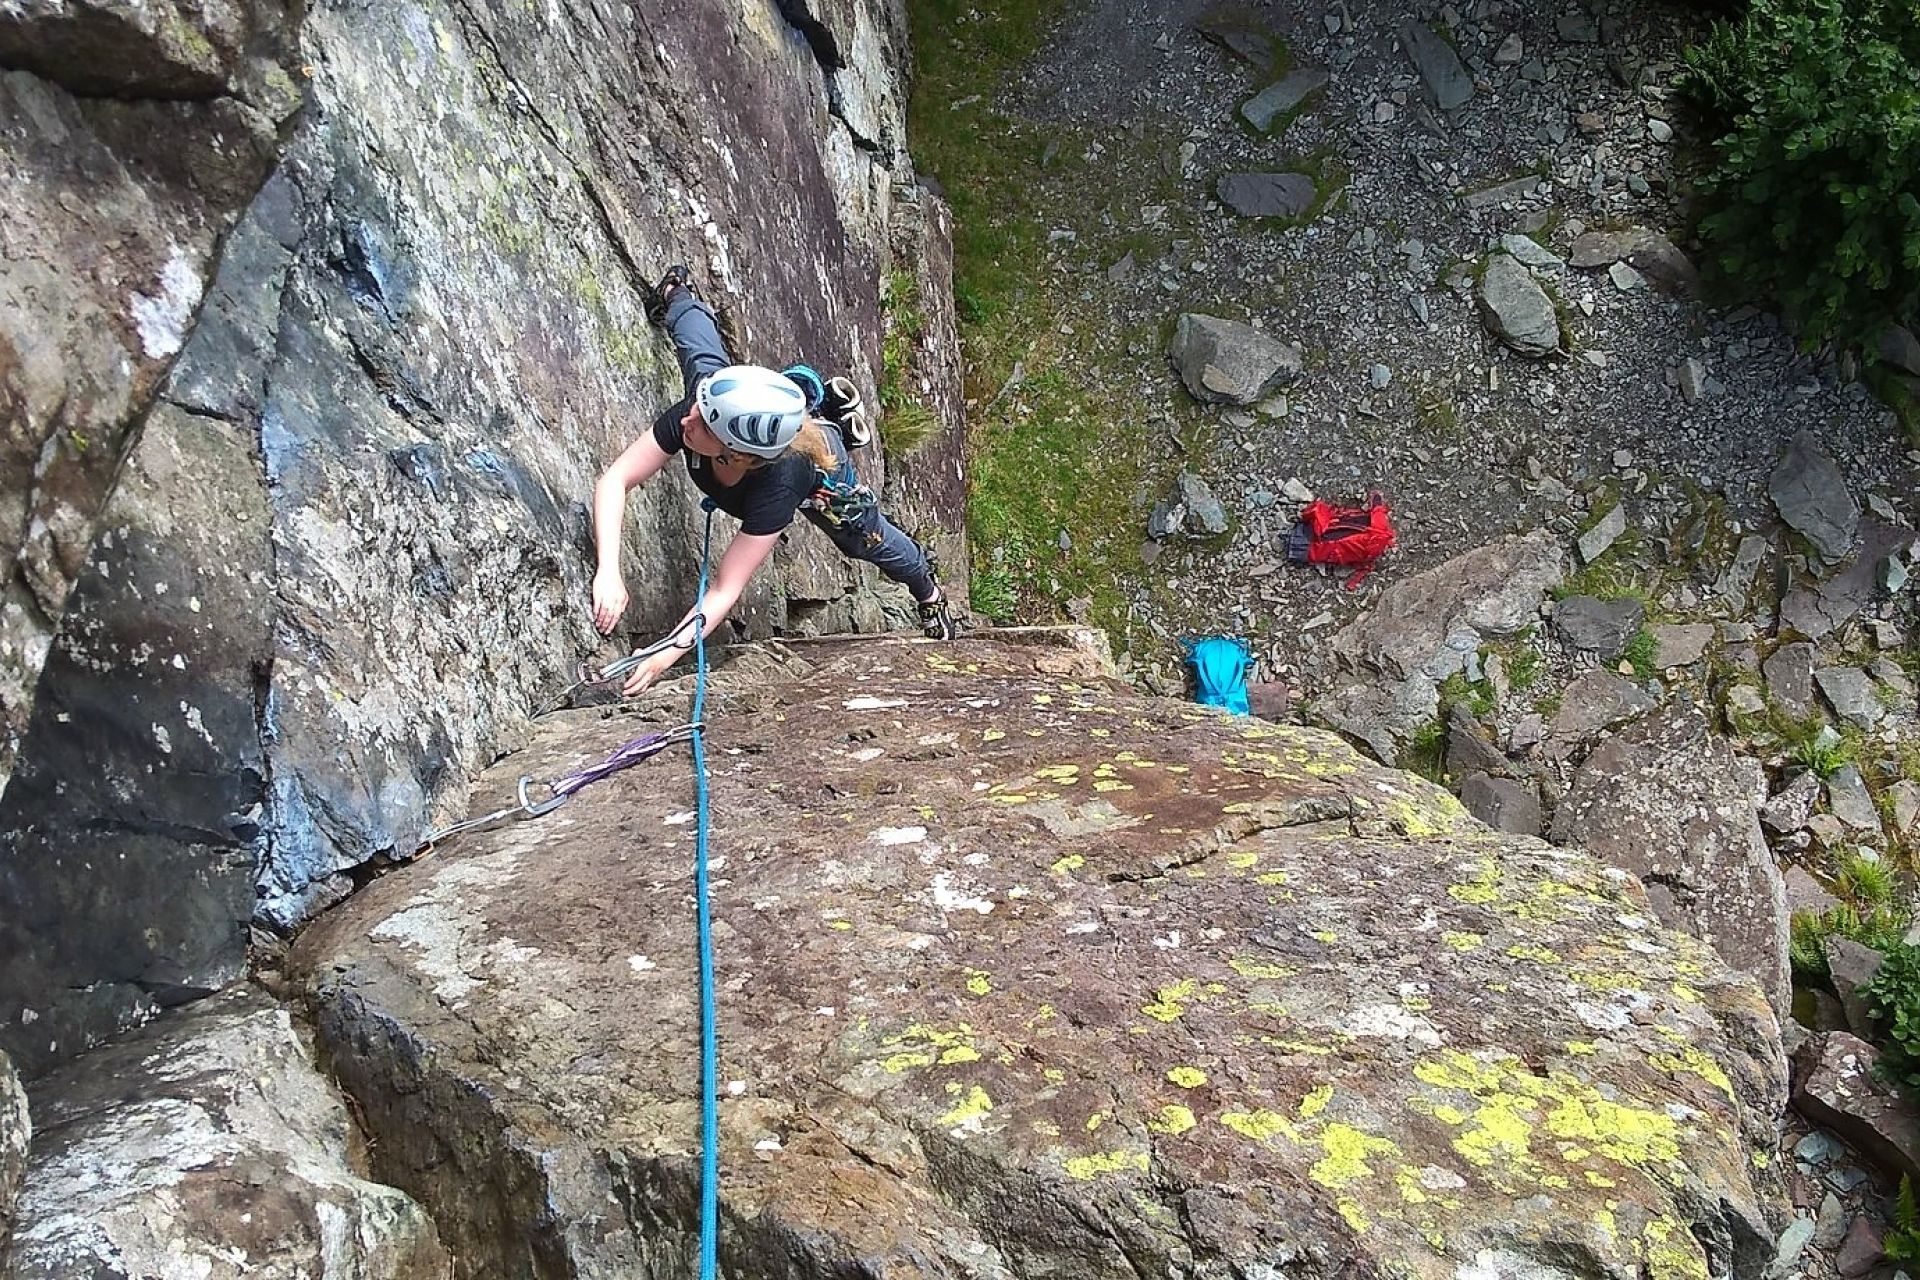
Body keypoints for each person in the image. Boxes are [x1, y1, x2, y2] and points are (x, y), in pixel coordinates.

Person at [590, 266, 955, 695]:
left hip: (820, 472)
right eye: (698, 411)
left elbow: (726, 587)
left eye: (704, 424)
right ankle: (678, 293)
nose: (686, 419)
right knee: (701, 357)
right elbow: (615, 479)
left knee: (864, 535)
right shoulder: (703, 408)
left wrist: (665, 653)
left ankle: (928, 592)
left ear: (737, 452)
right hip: (761, 431)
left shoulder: (780, 487)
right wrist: (608, 572)